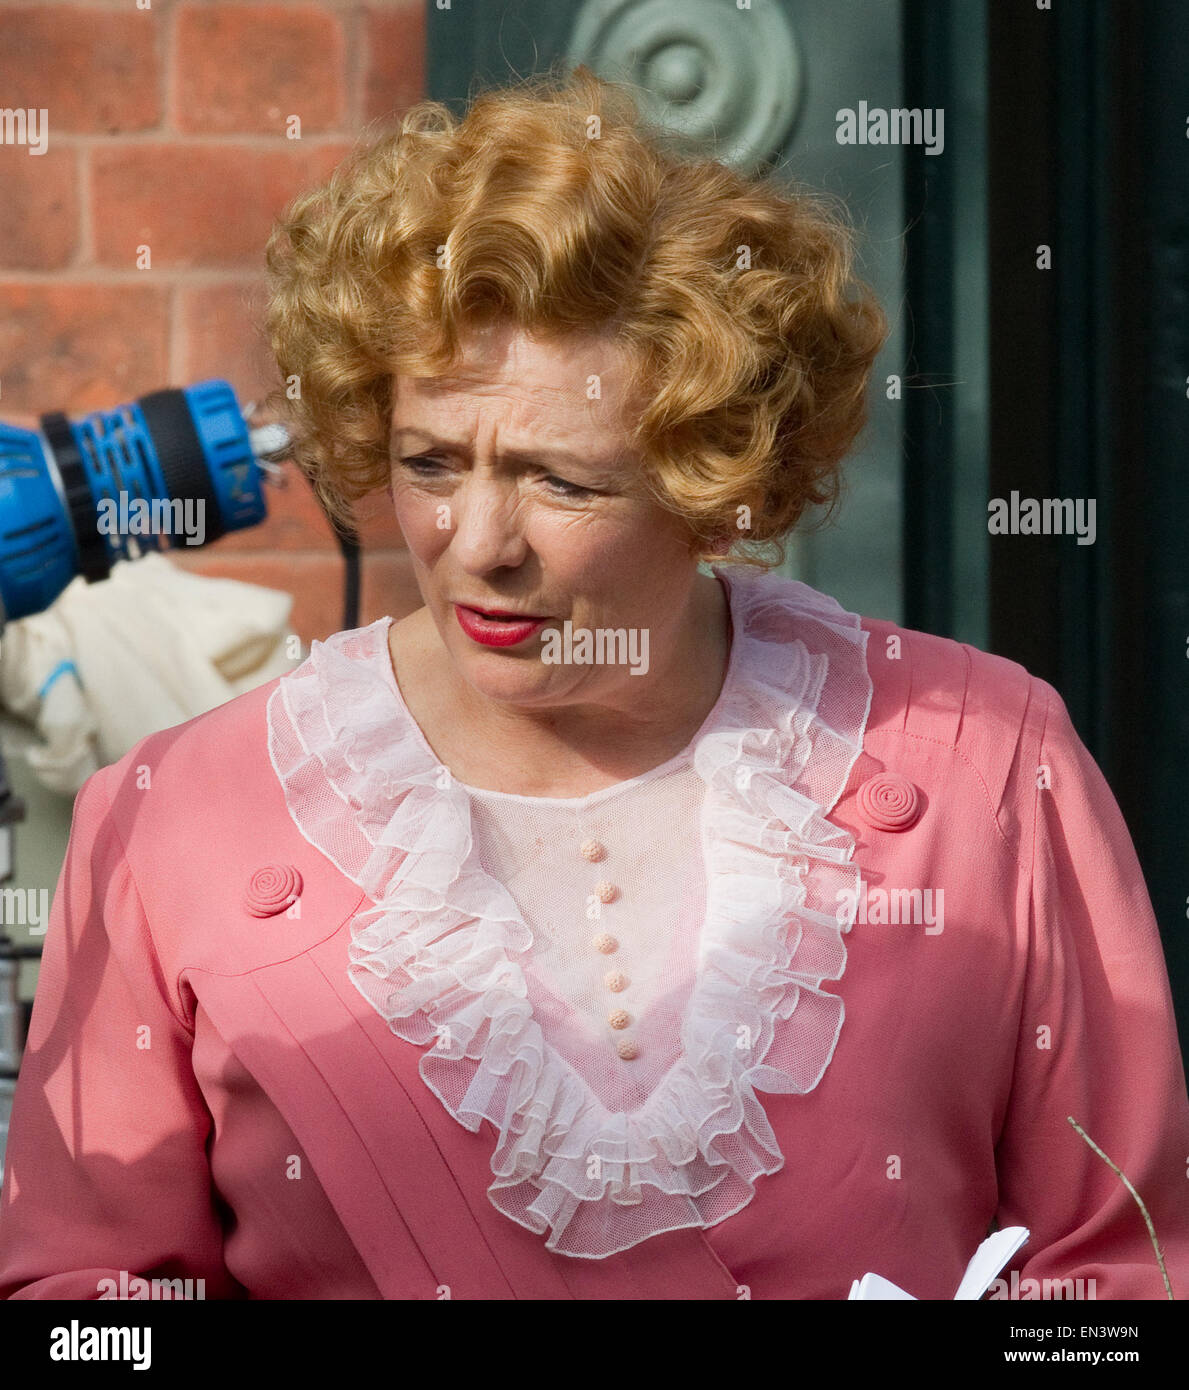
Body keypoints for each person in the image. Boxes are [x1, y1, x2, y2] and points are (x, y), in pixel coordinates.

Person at [1, 67, 1186, 1300]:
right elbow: (76, 1316)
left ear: (713, 478)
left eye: (562, 482)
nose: (475, 541)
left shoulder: (988, 765)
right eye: (427, 460)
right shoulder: (171, 817)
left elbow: (1129, 1280)